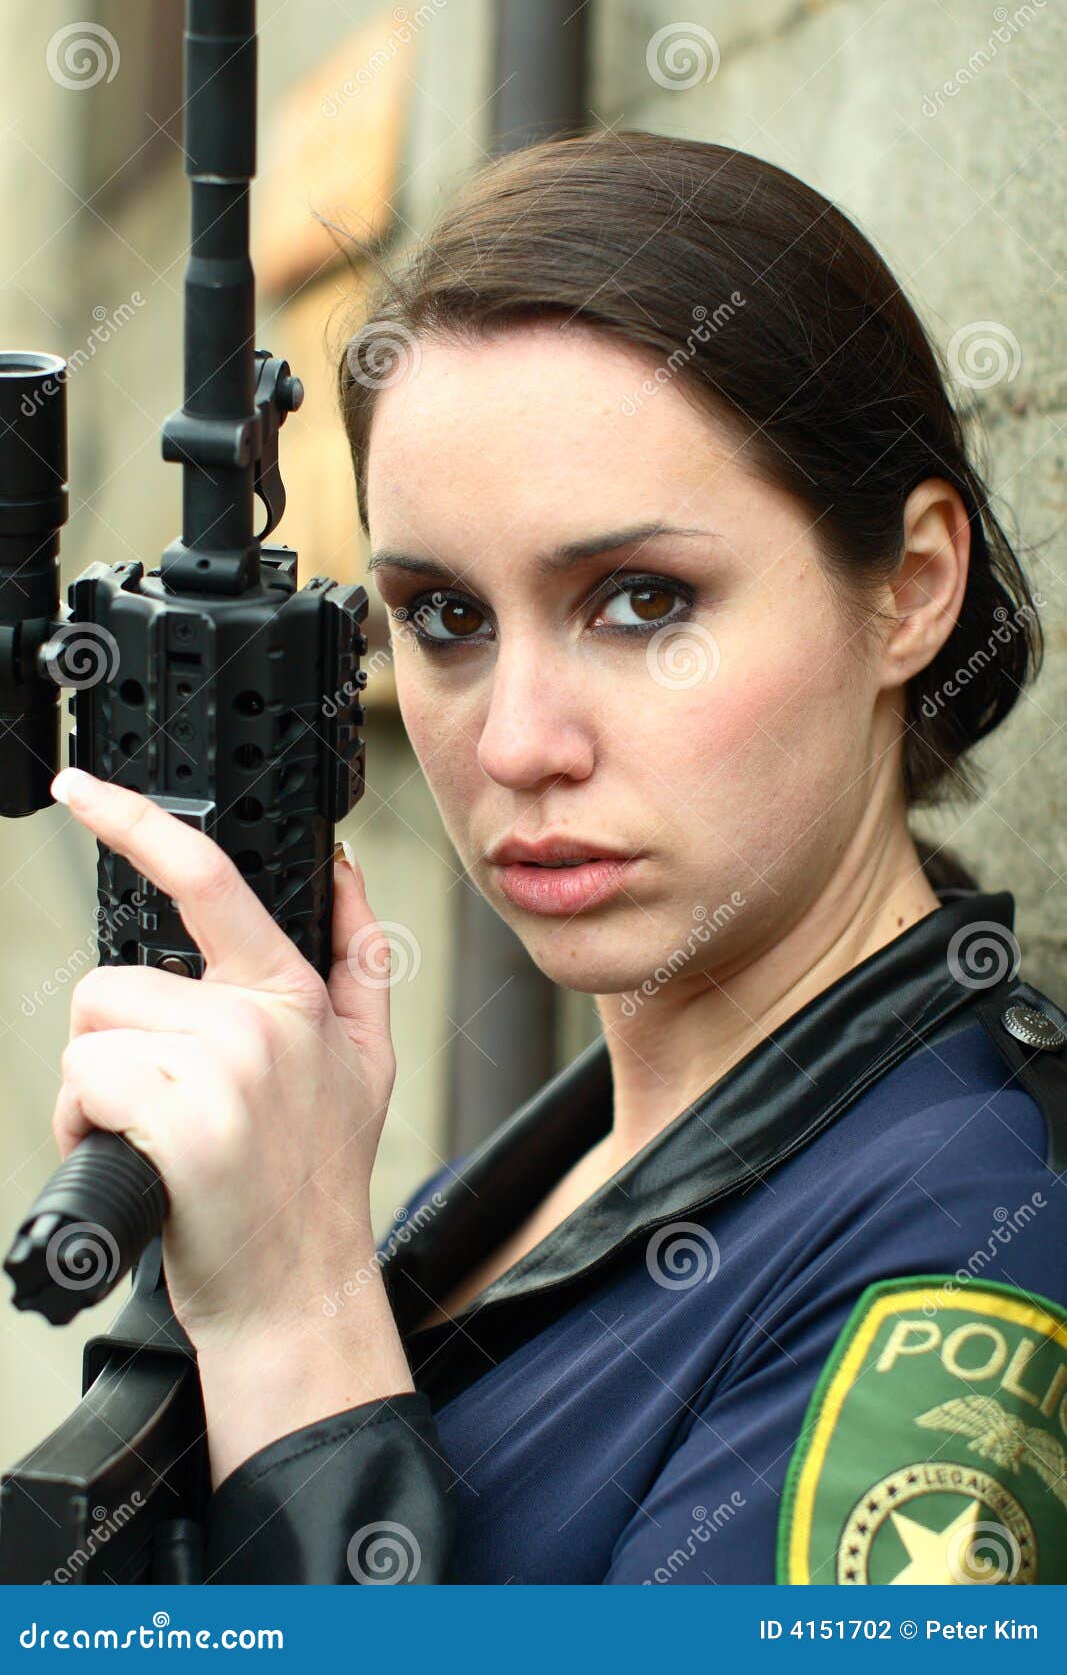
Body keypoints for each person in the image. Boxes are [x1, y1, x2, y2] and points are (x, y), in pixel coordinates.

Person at [48, 131, 1067, 1586]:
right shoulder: (525, 1182)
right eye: (448, 617)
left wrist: (294, 1328)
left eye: (645, 600)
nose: (518, 741)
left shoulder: (972, 1248)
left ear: (910, 589)